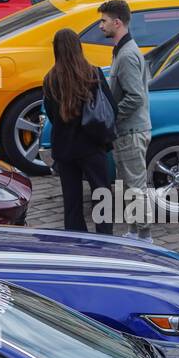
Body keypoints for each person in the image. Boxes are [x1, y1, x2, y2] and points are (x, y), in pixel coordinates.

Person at [44, 28, 114, 234]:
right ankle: (105, 236)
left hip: (64, 148)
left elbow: (50, 113)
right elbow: (109, 106)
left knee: (71, 200)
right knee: (101, 192)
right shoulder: (92, 73)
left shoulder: (50, 79)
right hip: (92, 145)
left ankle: (77, 240)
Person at [99, 0, 151, 239]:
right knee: (128, 186)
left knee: (136, 187)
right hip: (126, 132)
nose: (101, 26)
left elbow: (135, 96)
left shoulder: (128, 55)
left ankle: (145, 236)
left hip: (131, 132)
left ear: (117, 22)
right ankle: (133, 231)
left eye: (104, 21)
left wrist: (112, 116)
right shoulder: (123, 50)